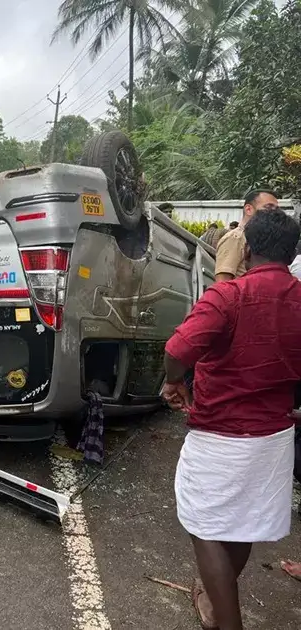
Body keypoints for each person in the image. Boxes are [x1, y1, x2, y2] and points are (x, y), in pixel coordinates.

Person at [160, 209, 301, 630]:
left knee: (202, 524)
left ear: (248, 248)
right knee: (245, 524)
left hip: (219, 434)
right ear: (293, 253)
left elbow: (177, 350)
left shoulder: (229, 296)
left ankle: (227, 620)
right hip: (275, 437)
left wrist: (174, 382)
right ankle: (213, 603)